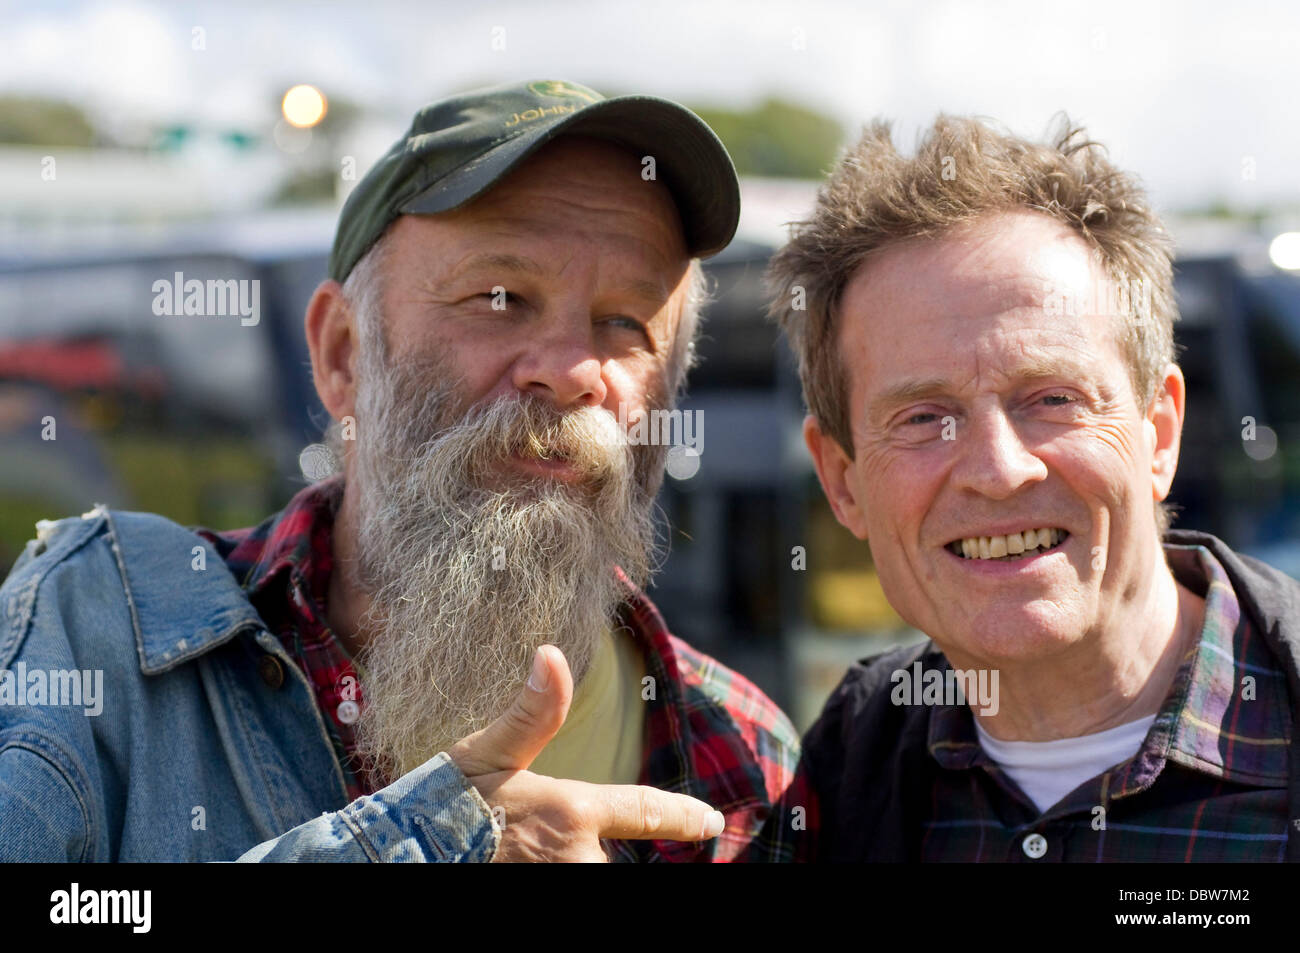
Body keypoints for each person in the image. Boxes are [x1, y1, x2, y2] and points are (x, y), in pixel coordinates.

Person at [0, 79, 800, 862]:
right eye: (500, 295)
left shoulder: (744, 756)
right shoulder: (101, 636)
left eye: (625, 322)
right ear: (341, 354)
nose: (569, 371)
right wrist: (418, 840)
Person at [747, 115, 1300, 862]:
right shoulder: (846, 769)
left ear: (1158, 433)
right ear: (842, 482)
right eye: (923, 416)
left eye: (1052, 399)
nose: (1000, 469)